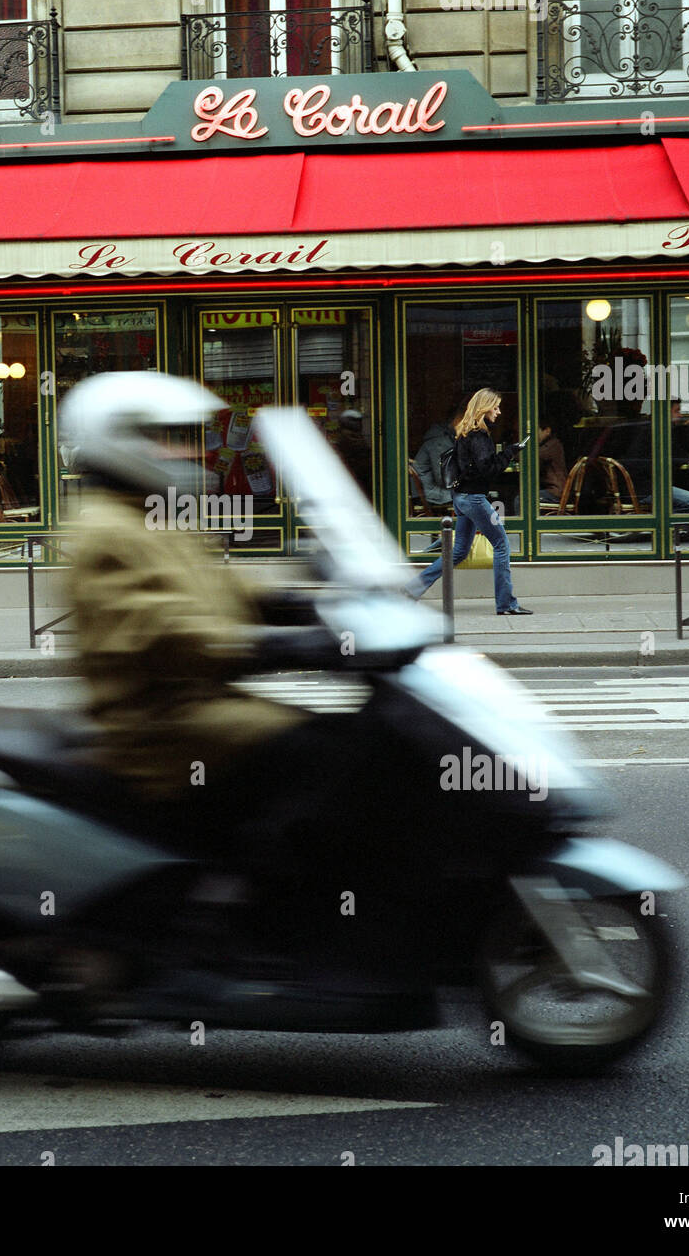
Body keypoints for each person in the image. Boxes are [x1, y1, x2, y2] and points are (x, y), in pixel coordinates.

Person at [61, 372, 424, 996]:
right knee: (328, 754)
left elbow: (221, 586)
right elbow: (168, 632)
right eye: (162, 439)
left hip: (201, 705)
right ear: (117, 441)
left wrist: (308, 604)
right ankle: (244, 914)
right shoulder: (103, 532)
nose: (182, 452)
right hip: (161, 726)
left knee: (350, 742)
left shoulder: (146, 514)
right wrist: (285, 646)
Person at [406, 388, 533, 615]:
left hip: (461, 498)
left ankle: (411, 590)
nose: (499, 412)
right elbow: (487, 470)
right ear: (483, 409)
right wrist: (510, 453)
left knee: (458, 552)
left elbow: (473, 467)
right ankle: (506, 604)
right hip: (474, 499)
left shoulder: (465, 433)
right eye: (495, 407)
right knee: (502, 545)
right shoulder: (480, 436)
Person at [412, 405, 461, 512]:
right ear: (456, 421)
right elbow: (443, 478)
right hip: (432, 493)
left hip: (432, 490)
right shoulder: (440, 441)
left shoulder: (445, 436)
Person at [537, 418, 568, 504]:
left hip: (555, 492)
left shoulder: (552, 445)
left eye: (537, 431)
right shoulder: (551, 444)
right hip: (551, 490)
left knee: (521, 500)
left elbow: (533, 456)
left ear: (547, 431)